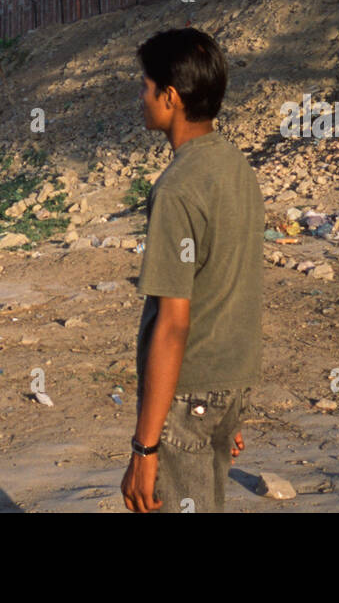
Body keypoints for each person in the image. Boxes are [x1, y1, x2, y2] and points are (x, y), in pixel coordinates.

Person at [121, 28, 264, 513]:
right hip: (229, 387)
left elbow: (174, 323)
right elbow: (232, 287)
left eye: (145, 86)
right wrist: (229, 411)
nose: (139, 97)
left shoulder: (177, 189)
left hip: (188, 398)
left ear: (171, 96)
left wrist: (145, 447)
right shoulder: (236, 169)